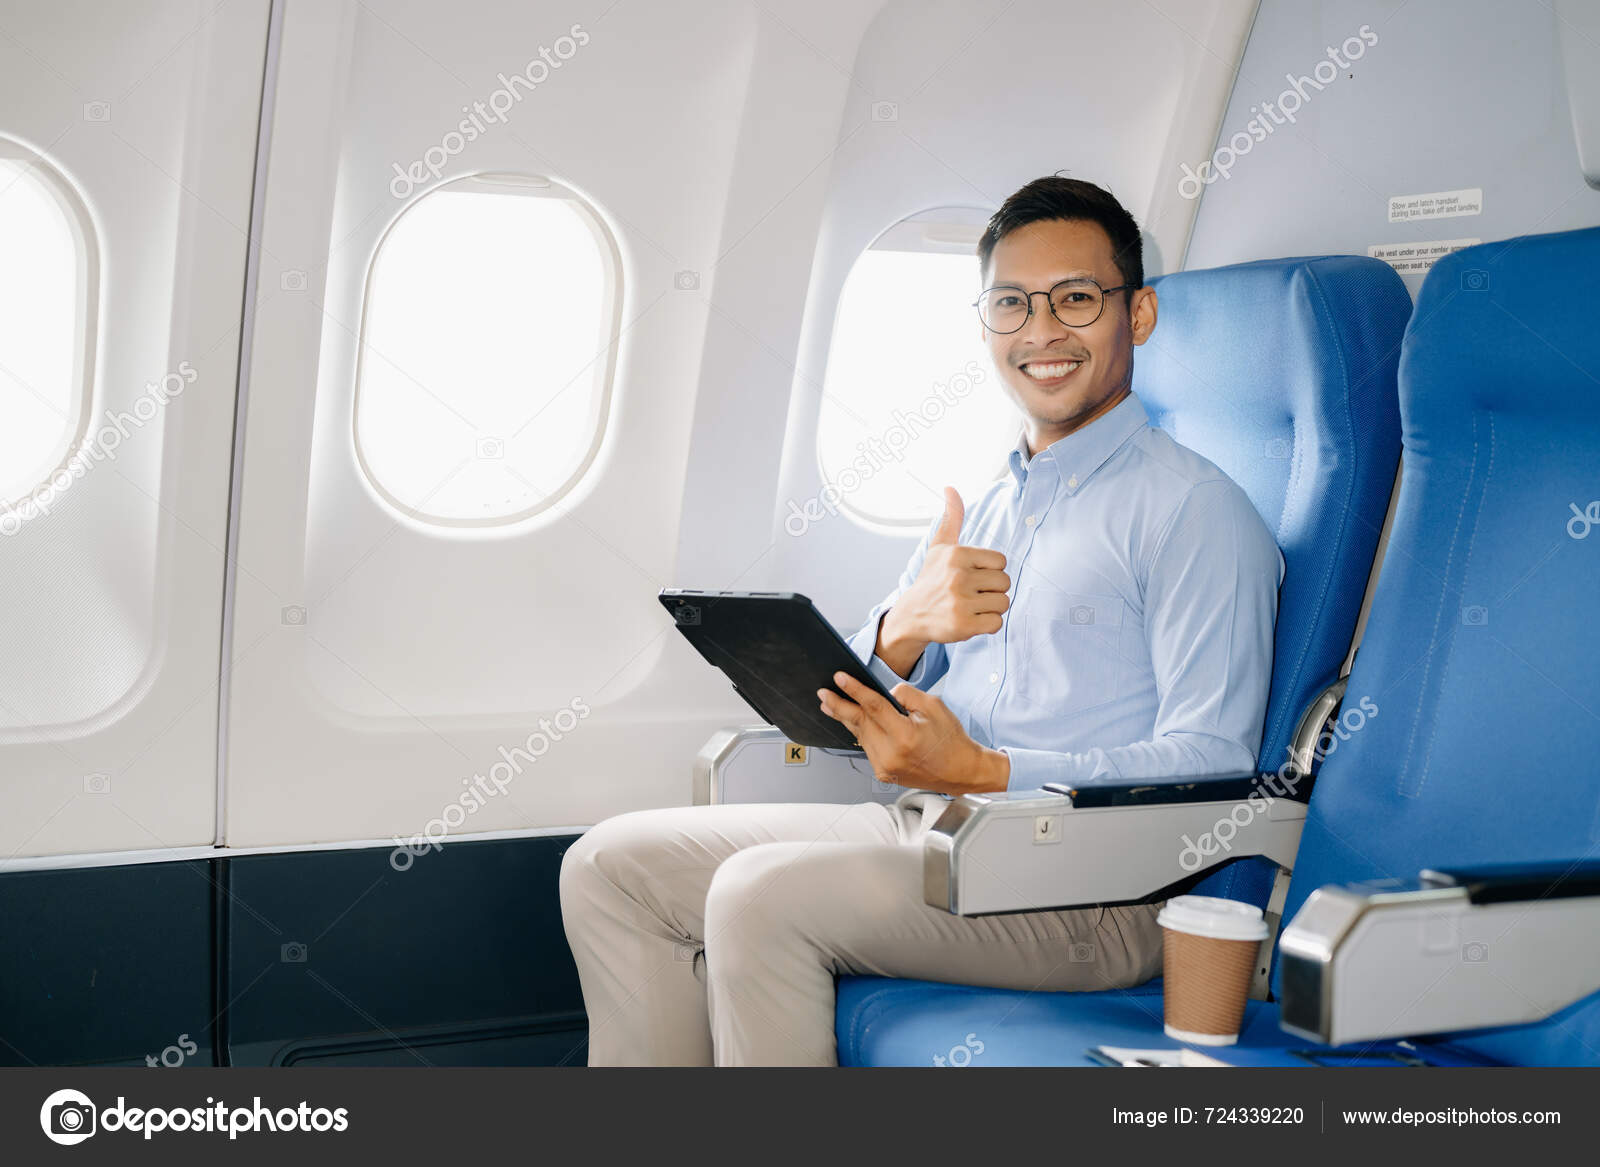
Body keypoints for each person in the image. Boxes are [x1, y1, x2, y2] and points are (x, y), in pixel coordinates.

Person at [559, 175, 1286, 1066]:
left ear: (1137, 314)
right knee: (608, 869)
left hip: (1092, 888)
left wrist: (987, 771)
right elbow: (849, 710)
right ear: (985, 325)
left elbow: (1211, 762)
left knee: (757, 895)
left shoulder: (1196, 511)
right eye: (1011, 303)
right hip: (934, 832)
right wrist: (903, 627)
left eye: (1076, 298)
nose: (1041, 331)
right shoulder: (986, 501)